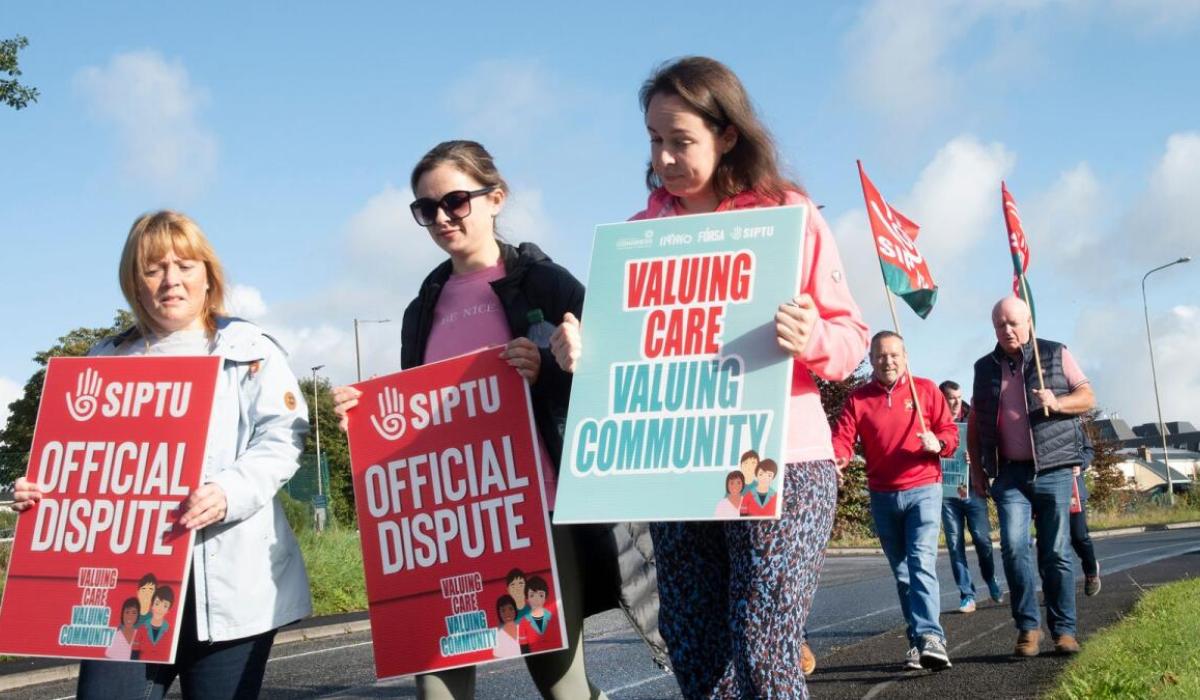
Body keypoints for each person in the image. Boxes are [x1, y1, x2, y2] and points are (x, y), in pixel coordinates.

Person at [550, 56, 868, 698]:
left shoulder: (788, 215)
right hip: (679, 469)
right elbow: (619, 365)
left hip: (780, 462)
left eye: (681, 140)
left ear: (727, 134)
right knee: (698, 657)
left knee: (763, 653)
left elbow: (851, 341)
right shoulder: (641, 238)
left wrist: (811, 338)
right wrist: (583, 352)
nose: (664, 157)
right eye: (654, 140)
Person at [333, 140, 657, 699]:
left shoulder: (547, 284)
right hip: (447, 523)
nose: (440, 218)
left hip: (535, 509)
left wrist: (548, 370)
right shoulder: (423, 306)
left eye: (455, 201)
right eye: (425, 209)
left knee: (562, 687)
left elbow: (614, 373)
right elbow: (424, 415)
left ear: (496, 198)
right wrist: (363, 420)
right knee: (435, 687)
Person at [12, 210, 313, 698]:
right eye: (154, 268)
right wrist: (42, 491)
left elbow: (283, 437)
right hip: (125, 592)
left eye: (185, 265)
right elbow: (78, 460)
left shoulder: (249, 348)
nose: (171, 280)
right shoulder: (102, 360)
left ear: (207, 273)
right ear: (135, 280)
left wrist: (228, 490)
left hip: (231, 589)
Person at [968, 296, 1095, 657]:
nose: (1006, 330)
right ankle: (1027, 628)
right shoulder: (983, 368)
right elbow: (976, 422)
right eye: (999, 324)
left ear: (1029, 322)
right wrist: (978, 471)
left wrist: (1058, 402)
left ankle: (1064, 630)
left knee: (1055, 552)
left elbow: (1087, 396)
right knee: (1012, 548)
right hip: (1008, 474)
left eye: (1013, 323)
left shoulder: (1054, 354)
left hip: (1053, 469)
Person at [832, 332, 958, 670]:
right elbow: (842, 438)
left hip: (923, 489)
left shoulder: (926, 390)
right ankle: (917, 640)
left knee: (920, 563)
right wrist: (838, 459)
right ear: (871, 359)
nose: (888, 361)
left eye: (894, 355)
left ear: (905, 357)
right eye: (880, 356)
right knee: (903, 574)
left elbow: (950, 433)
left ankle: (933, 637)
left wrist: (939, 443)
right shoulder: (859, 399)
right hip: (883, 494)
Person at [938, 380, 1002, 614]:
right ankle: (967, 594)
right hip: (948, 494)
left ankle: (990, 577)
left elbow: (991, 449)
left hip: (973, 489)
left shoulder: (974, 419)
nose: (955, 402)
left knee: (982, 539)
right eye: (950, 398)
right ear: (941, 399)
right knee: (955, 545)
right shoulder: (934, 422)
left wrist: (976, 459)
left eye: (958, 397)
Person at [1071, 435, 1101, 596]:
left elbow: (1088, 449)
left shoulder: (1069, 417)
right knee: (1051, 544)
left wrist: (1080, 463)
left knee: (1078, 536)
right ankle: (1055, 591)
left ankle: (1091, 572)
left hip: (1073, 489)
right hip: (1044, 488)